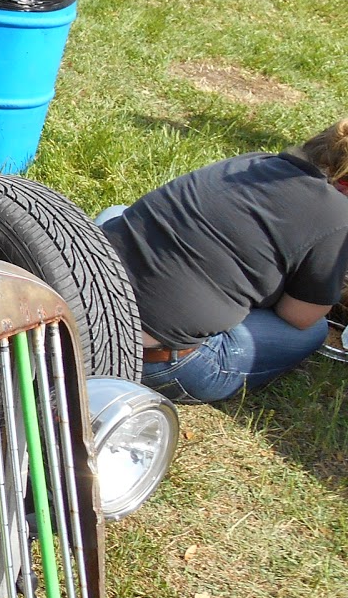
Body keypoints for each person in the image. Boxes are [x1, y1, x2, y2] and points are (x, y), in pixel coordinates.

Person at [98, 120, 348, 403]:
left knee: (117, 212)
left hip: (86, 314)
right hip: (150, 360)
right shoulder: (338, 216)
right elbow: (299, 316)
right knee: (313, 331)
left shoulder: (253, 161)